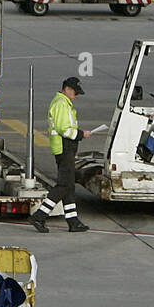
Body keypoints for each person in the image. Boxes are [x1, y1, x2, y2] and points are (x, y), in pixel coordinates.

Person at [30, 76, 91, 232]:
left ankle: (72, 220)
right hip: (64, 149)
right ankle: (40, 215)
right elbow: (64, 129)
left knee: (69, 185)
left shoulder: (64, 103)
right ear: (67, 89)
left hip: (65, 149)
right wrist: (81, 134)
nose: (76, 96)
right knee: (64, 185)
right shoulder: (61, 104)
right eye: (75, 93)